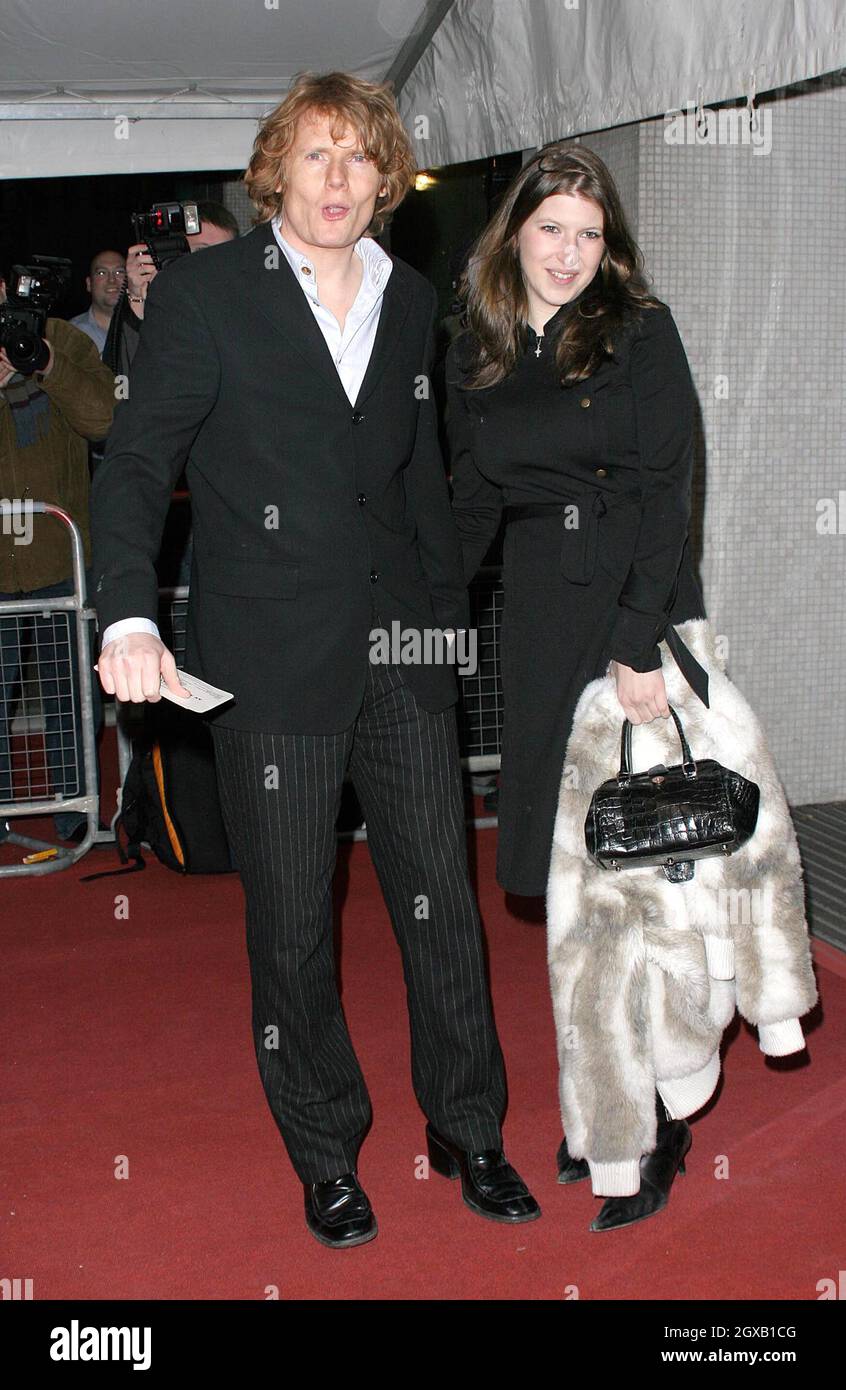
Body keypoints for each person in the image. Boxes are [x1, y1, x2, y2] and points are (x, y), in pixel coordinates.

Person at [90, 70, 539, 1250]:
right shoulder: (206, 297)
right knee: (292, 926)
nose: (337, 179)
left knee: (442, 907)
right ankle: (327, 1151)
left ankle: (470, 1128)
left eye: (359, 157)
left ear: (386, 177)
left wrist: (443, 634)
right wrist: (126, 614)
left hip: (400, 654)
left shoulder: (415, 298)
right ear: (275, 169)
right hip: (271, 662)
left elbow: (420, 493)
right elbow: (137, 465)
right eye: (315, 155)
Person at [445, 143, 712, 1226]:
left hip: (633, 612)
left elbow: (668, 483)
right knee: (572, 889)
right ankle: (608, 1093)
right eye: (551, 228)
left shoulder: (641, 332)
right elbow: (469, 500)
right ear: (517, 231)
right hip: (542, 620)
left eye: (589, 236)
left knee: (640, 876)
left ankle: (652, 1118)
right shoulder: (483, 344)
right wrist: (414, 619)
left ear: (612, 249)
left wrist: (641, 643)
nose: (568, 252)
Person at [0, 271, 114, 841]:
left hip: (60, 561)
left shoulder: (59, 338)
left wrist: (43, 364)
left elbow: (102, 419)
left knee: (72, 695)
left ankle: (77, 810)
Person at [69, 250, 127, 357]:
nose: (112, 280)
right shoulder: (71, 334)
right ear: (89, 284)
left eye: (119, 272)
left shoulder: (147, 329)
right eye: (102, 273)